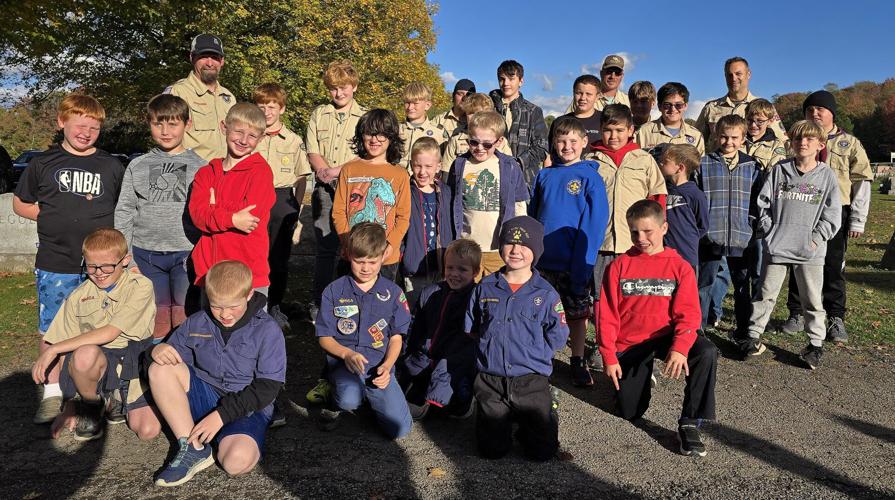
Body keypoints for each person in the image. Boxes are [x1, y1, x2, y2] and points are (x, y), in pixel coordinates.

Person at [14, 94, 125, 424]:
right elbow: (21, 203)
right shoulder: (42, 164)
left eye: (94, 127)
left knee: (106, 327)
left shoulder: (111, 165)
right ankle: (52, 393)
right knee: (53, 329)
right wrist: (50, 218)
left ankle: (107, 390)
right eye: (80, 124)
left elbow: (123, 209)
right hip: (55, 261)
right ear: (62, 122)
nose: (86, 132)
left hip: (103, 266)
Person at [149, 260, 285, 486]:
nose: (225, 315)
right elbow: (168, 359)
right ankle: (192, 448)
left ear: (249, 294)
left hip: (245, 405)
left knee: (235, 463)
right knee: (160, 367)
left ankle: (230, 434)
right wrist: (156, 350)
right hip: (205, 393)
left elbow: (267, 388)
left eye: (233, 306)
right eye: (217, 306)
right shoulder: (197, 322)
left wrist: (220, 416)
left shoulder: (268, 330)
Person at [599, 200, 717, 457]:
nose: (640, 238)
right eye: (634, 232)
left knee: (706, 352)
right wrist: (609, 356)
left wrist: (680, 348)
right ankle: (641, 378)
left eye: (648, 231)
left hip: (666, 335)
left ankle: (689, 422)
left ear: (664, 228)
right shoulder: (618, 267)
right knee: (629, 412)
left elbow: (689, 315)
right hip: (631, 342)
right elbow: (606, 315)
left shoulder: (680, 267)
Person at [31, 228, 159, 442]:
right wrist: (69, 406)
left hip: (132, 362)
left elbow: (111, 332)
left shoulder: (141, 286)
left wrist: (52, 349)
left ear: (125, 260)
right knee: (83, 354)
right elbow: (67, 348)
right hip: (97, 361)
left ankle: (116, 400)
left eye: (107, 266)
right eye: (92, 266)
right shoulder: (78, 295)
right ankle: (92, 405)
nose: (99, 272)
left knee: (148, 431)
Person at [466, 216, 569, 461]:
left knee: (541, 453)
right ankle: (503, 418)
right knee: (491, 451)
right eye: (510, 242)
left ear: (536, 250)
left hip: (531, 379)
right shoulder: (485, 288)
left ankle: (545, 411)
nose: (515, 250)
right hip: (491, 379)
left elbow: (557, 336)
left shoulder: (545, 294)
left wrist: (533, 353)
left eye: (524, 245)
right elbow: (472, 327)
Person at [745, 120, 841, 368]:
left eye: (809, 139)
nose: (803, 143)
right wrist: (769, 232)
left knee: (811, 300)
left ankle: (815, 345)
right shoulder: (779, 170)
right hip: (777, 246)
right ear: (791, 143)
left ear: (820, 144)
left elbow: (832, 215)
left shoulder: (826, 176)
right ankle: (753, 337)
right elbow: (762, 203)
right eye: (798, 139)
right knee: (765, 294)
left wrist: (815, 239)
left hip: (809, 251)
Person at [782, 91, 873, 343]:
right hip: (803, 207)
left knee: (833, 265)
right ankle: (796, 312)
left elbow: (861, 181)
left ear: (832, 112)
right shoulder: (799, 140)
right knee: (798, 259)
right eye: (810, 110)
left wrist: (857, 218)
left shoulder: (849, 143)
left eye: (820, 109)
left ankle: (835, 316)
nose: (815, 113)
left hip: (836, 211)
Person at [115, 94, 206, 341]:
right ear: (149, 124)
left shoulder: (202, 167)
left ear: (187, 125)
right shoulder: (137, 165)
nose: (166, 131)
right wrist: (126, 255)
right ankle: (153, 366)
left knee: (184, 311)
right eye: (158, 124)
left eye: (173, 124)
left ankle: (183, 367)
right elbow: (125, 210)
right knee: (156, 314)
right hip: (145, 253)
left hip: (185, 253)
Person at [585, 104, 667, 369]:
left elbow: (657, 198)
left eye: (620, 130)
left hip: (636, 244)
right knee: (601, 298)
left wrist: (655, 238)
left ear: (631, 130)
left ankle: (635, 348)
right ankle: (603, 346)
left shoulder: (643, 159)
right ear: (600, 130)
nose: (614, 136)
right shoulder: (590, 159)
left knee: (635, 298)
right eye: (608, 130)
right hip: (602, 243)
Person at [529, 117, 609, 387]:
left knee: (576, 314)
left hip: (574, 260)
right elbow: (534, 214)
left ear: (584, 143)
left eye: (573, 141)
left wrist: (583, 264)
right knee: (541, 311)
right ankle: (541, 358)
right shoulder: (544, 175)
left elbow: (595, 224)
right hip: (542, 261)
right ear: (554, 143)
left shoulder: (590, 177)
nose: (567, 146)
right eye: (561, 141)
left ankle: (577, 359)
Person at [315, 223, 413, 439]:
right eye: (359, 262)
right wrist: (345, 354)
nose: (366, 268)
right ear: (348, 255)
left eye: (372, 262)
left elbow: (396, 337)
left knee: (400, 429)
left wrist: (387, 367)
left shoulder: (393, 293)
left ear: (383, 256)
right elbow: (324, 336)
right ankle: (333, 396)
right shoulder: (334, 290)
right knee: (349, 398)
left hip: (378, 366)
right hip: (345, 365)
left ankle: (373, 401)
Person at [188, 103, 275, 293]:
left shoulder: (261, 172)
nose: (244, 140)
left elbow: (251, 217)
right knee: (209, 322)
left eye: (252, 136)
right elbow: (198, 216)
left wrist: (214, 206)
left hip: (249, 272)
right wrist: (233, 218)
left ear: (260, 139)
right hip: (210, 271)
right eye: (238, 131)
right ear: (224, 127)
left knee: (251, 322)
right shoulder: (206, 173)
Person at [306, 60, 367, 324]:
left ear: (353, 87)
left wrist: (337, 171)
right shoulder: (320, 114)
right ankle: (319, 301)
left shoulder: (365, 117)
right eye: (333, 89)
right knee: (325, 247)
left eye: (343, 87)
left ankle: (351, 298)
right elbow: (312, 149)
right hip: (324, 189)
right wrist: (324, 172)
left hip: (355, 189)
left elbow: (367, 153)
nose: (338, 93)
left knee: (353, 245)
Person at [695, 114, 762, 335]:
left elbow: (757, 200)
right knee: (704, 286)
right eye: (724, 137)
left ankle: (743, 331)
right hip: (710, 236)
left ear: (743, 138)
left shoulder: (752, 166)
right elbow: (697, 198)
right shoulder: (704, 164)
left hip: (742, 237)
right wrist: (702, 226)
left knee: (742, 287)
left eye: (734, 137)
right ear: (716, 135)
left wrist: (751, 224)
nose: (729, 142)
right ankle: (699, 332)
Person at [400, 239, 481, 420]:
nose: (454, 274)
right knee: (407, 408)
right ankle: (425, 393)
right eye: (450, 268)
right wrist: (407, 354)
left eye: (462, 269)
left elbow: (471, 343)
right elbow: (415, 327)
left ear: (475, 272)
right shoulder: (431, 292)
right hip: (424, 358)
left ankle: (463, 400)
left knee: (454, 407)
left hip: (453, 365)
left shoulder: (477, 299)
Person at [253, 83, 312, 324]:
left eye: (271, 106)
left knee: (278, 256)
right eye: (261, 106)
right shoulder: (250, 135)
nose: (266, 111)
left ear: (282, 109)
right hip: (255, 198)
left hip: (282, 199)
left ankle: (274, 306)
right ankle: (253, 304)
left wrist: (294, 210)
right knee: (254, 255)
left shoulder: (293, 140)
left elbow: (301, 178)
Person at [447, 111, 530, 278]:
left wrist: (517, 241)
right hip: (467, 246)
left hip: (498, 248)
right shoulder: (459, 165)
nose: (479, 148)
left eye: (487, 144)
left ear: (499, 142)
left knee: (495, 294)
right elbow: (451, 202)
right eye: (474, 142)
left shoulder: (510, 166)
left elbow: (520, 206)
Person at [331, 109, 411, 281]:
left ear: (391, 137)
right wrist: (348, 243)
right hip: (353, 256)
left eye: (381, 134)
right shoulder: (349, 169)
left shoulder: (400, 174)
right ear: (361, 136)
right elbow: (338, 212)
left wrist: (390, 245)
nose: (375, 140)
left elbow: (403, 217)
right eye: (370, 134)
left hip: (386, 259)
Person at [401, 137, 455, 308]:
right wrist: (404, 255)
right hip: (414, 267)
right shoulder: (405, 192)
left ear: (438, 166)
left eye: (428, 166)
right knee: (415, 309)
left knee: (437, 307)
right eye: (417, 165)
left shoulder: (446, 193)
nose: (422, 172)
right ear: (411, 164)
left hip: (440, 266)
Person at [166, 34, 235, 162]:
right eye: (203, 57)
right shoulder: (177, 92)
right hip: (193, 175)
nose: (209, 63)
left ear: (222, 61)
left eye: (215, 57)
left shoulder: (229, 97)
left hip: (225, 176)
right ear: (192, 58)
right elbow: (166, 140)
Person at [695, 56, 786, 151]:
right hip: (718, 164)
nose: (733, 78)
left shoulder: (764, 107)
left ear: (749, 74)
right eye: (729, 75)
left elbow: (783, 142)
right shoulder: (711, 108)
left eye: (738, 74)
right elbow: (695, 143)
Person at [489, 60, 549, 185]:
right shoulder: (488, 108)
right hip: (491, 176)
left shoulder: (534, 111)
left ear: (521, 81)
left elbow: (542, 147)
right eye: (502, 79)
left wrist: (518, 163)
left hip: (524, 180)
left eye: (511, 79)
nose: (506, 83)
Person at [659, 144, 709, 270]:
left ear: (680, 168)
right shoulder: (662, 189)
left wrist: (687, 238)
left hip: (686, 255)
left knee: (685, 288)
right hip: (662, 253)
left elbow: (703, 225)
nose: (660, 163)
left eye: (665, 162)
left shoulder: (695, 194)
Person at [441, 92, 513, 173]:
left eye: (479, 113)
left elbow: (510, 168)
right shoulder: (456, 140)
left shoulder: (500, 141)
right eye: (470, 113)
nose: (474, 117)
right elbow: (446, 172)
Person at [636, 82, 705, 159]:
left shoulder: (696, 136)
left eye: (678, 105)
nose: (673, 109)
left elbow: (700, 168)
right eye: (667, 105)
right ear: (659, 106)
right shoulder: (643, 132)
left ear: (685, 106)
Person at [545, 75, 603, 167]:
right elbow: (550, 156)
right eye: (579, 93)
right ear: (573, 93)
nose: (583, 98)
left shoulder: (604, 120)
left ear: (597, 97)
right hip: (564, 174)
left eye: (588, 94)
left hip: (595, 173)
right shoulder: (560, 122)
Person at [399, 82, 449, 172]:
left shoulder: (439, 132)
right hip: (400, 181)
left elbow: (445, 163)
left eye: (415, 103)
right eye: (407, 103)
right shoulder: (397, 130)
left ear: (427, 105)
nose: (410, 107)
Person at [743, 98, 788, 170]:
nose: (753, 125)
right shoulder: (736, 139)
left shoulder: (776, 145)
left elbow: (775, 173)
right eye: (749, 120)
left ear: (770, 121)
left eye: (760, 121)